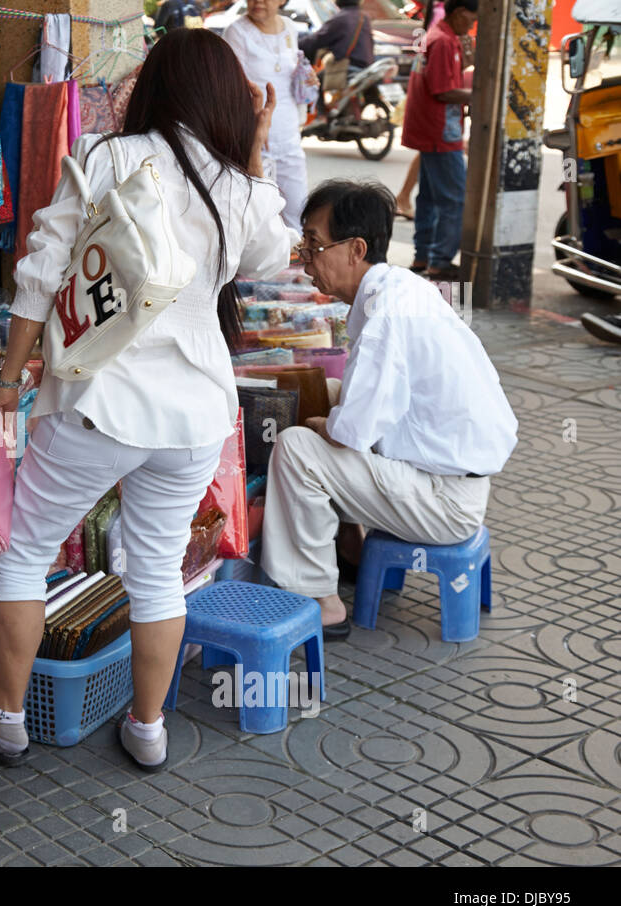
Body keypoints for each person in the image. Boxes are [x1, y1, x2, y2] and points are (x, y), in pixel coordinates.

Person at [0, 28, 296, 770]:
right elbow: (266, 259)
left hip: (101, 400)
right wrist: (257, 153)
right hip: (196, 411)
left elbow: (40, 275)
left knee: (23, 554)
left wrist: (7, 380)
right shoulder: (237, 181)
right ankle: (146, 730)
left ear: (155, 89)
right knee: (158, 572)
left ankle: (5, 719)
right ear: (231, 98)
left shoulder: (110, 155)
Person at [260, 179, 517, 636]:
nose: (305, 260)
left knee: (297, 447)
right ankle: (353, 548)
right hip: (452, 480)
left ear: (356, 249)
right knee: (335, 391)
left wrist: (322, 426)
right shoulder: (399, 287)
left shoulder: (386, 315)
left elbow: (349, 434)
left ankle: (320, 599)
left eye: (314, 245)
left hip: (445, 502)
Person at [400, 0, 478, 280]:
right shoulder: (443, 41)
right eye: (470, 19)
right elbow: (443, 90)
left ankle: (424, 258)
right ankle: (439, 261)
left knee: (431, 198)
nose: (471, 25)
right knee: (455, 198)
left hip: (431, 127)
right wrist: (479, 95)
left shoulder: (439, 37)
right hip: (440, 129)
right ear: (458, 13)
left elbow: (447, 77)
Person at [225, 0, 309, 230]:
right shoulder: (236, 32)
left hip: (289, 132)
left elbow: (292, 75)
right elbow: (233, 89)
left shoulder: (290, 27)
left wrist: (307, 79)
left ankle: (297, 265)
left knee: (297, 212)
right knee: (259, 217)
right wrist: (253, 130)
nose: (257, 1)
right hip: (256, 138)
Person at [394, 0, 447, 218]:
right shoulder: (442, 16)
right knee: (430, 147)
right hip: (432, 87)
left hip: (426, 83)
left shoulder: (437, 11)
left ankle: (405, 197)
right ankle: (404, 196)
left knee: (428, 149)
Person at [297, 0, 374, 116]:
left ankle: (321, 116)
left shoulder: (341, 18)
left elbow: (318, 39)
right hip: (366, 64)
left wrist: (297, 45)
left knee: (315, 81)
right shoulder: (364, 17)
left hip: (347, 65)